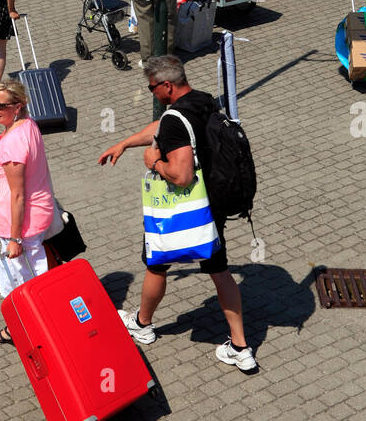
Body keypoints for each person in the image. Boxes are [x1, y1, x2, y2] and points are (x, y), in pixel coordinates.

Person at [97, 54, 257, 374]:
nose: (151, 92)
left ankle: (143, 325)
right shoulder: (202, 101)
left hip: (184, 208)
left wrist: (153, 162)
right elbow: (162, 127)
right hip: (213, 203)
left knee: (156, 264)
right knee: (219, 270)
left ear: (167, 86)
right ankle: (241, 348)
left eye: (152, 87)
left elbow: (182, 175)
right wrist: (125, 143)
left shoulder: (174, 119)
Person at [0, 79, 55, 344]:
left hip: (21, 225)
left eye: (1, 105)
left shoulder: (13, 143)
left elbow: (18, 194)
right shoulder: (28, 124)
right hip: (32, 216)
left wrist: (14, 239)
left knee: (26, 282)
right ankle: (23, 324)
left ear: (18, 106)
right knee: (28, 276)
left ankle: (28, 329)